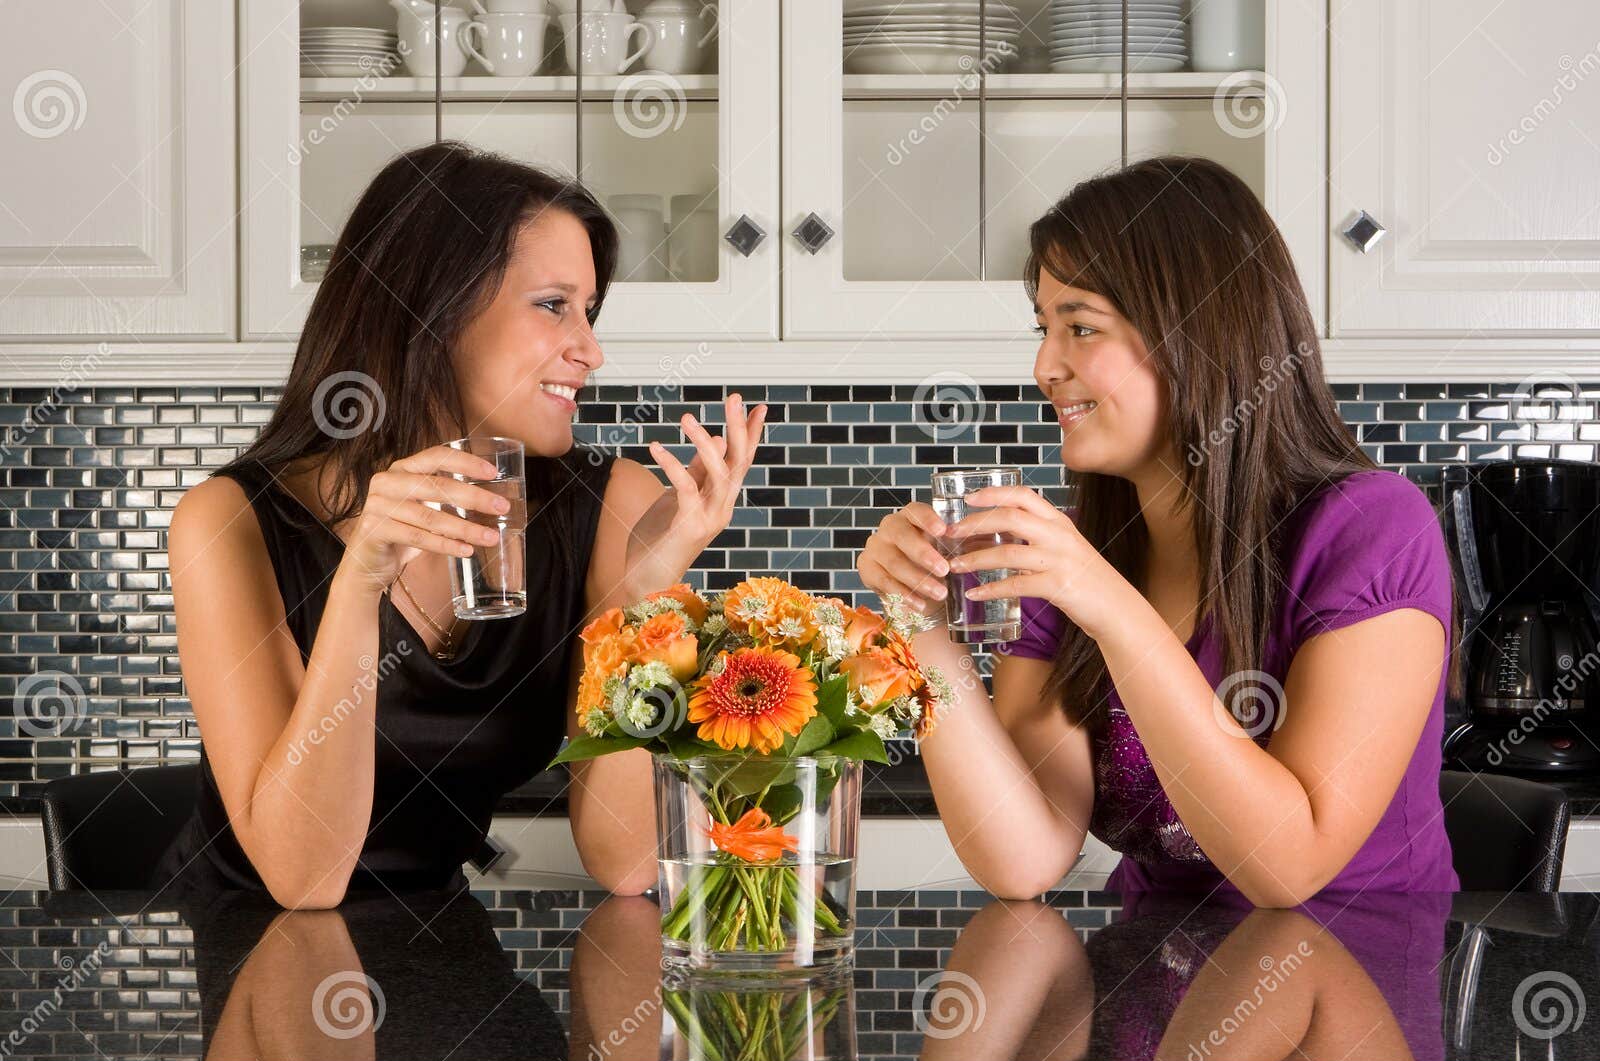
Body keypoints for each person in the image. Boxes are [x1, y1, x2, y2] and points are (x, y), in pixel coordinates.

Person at [155, 142, 762, 908]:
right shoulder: (230, 523)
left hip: (443, 949)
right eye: (553, 305)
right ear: (434, 307)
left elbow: (628, 859)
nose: (591, 350)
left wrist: (643, 594)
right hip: (250, 953)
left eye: (590, 311)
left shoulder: (612, 509)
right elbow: (303, 878)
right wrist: (361, 582)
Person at [858, 155, 1459, 904]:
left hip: (1349, 990)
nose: (1045, 364)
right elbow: (1023, 856)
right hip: (1150, 995)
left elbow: (1290, 865)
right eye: (1044, 328)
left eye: (1080, 327)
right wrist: (924, 632)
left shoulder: (1372, 529)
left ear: (1199, 330)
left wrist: (1107, 603)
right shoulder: (1074, 559)